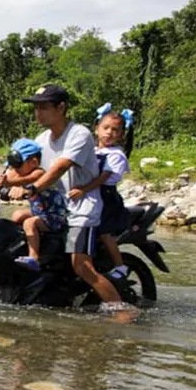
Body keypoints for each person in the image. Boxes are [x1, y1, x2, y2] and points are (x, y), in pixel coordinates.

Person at [12, 84, 128, 312]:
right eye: (36, 107)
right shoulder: (42, 138)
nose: (38, 112)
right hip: (56, 208)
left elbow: (60, 167)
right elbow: (26, 166)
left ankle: (122, 310)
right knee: (17, 221)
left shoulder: (80, 134)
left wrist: (32, 188)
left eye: (44, 107)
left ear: (61, 107)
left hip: (82, 209)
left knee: (81, 265)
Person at [0, 138, 68, 271]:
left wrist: (17, 187)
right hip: (39, 212)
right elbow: (4, 181)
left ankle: (34, 258)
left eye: (17, 165)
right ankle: (22, 245)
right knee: (17, 215)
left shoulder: (39, 172)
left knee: (29, 223)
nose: (14, 169)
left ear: (33, 162)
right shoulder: (20, 170)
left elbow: (27, 180)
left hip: (54, 216)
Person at [75, 110, 132, 280]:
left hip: (105, 198)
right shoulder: (91, 150)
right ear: (96, 129)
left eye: (115, 130)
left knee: (104, 233)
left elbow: (102, 179)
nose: (109, 132)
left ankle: (120, 266)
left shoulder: (116, 155)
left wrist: (83, 189)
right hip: (90, 195)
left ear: (121, 134)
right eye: (106, 127)